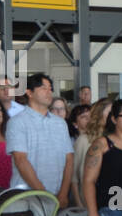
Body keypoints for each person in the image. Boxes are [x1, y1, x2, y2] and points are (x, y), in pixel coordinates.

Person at [6, 72, 74, 204]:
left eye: (50, 89)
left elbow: (69, 159)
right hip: (26, 196)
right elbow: (21, 160)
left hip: (58, 196)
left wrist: (64, 193)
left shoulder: (60, 123)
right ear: (29, 93)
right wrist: (43, 194)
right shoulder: (17, 122)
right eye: (43, 88)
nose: (49, 92)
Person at [71, 98, 112, 208]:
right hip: (88, 204)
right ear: (99, 114)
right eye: (110, 112)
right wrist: (79, 205)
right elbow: (74, 178)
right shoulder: (84, 140)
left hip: (112, 203)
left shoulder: (117, 140)